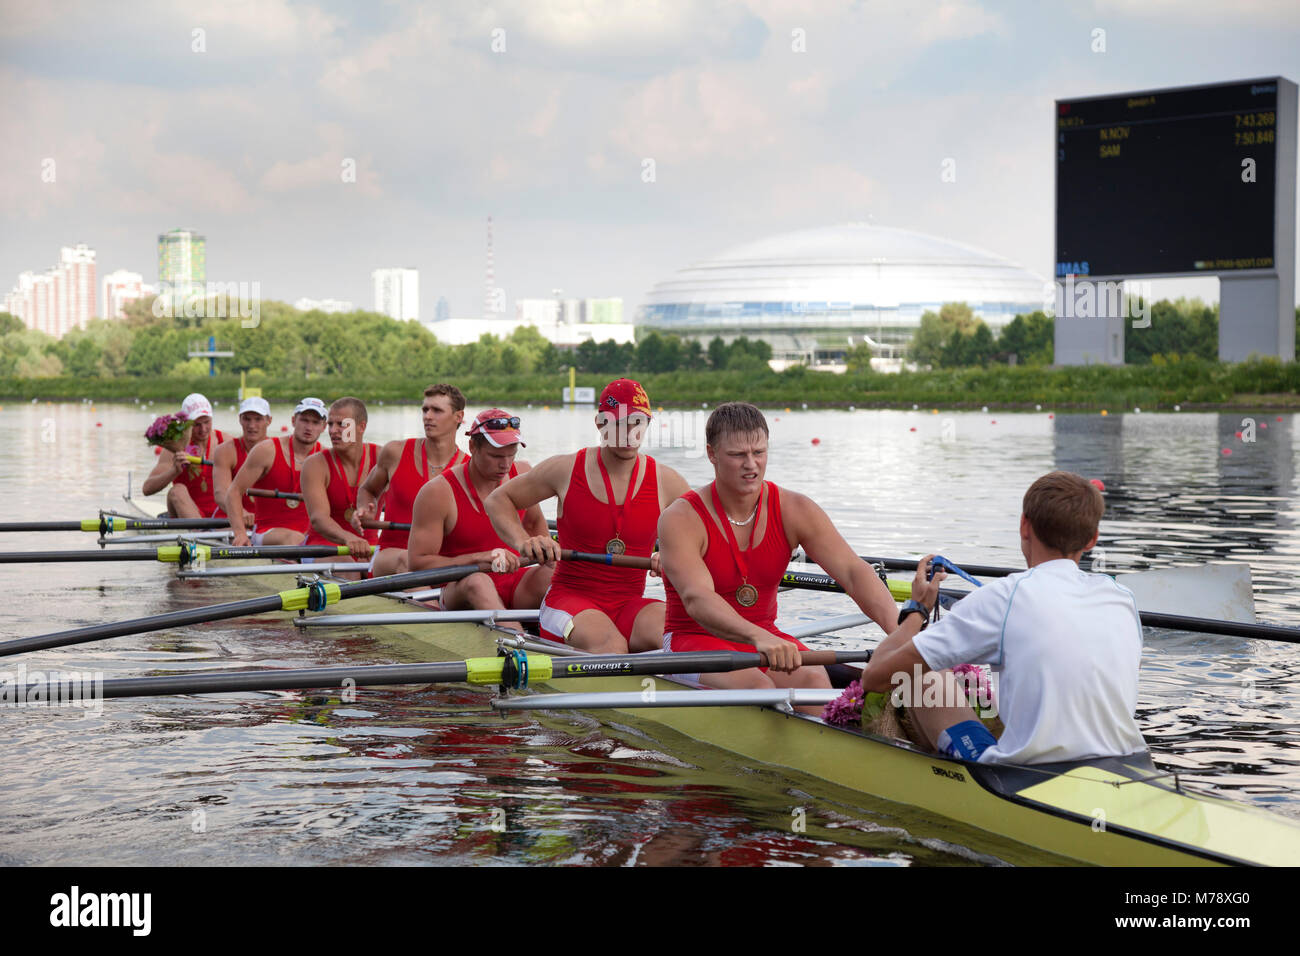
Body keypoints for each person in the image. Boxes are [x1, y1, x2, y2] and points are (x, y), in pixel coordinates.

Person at [857, 471, 1146, 765]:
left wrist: (916, 611)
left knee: (925, 679)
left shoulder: (1002, 597)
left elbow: (875, 676)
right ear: (1091, 540)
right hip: (1133, 765)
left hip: (1026, 780)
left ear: (1024, 526)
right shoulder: (1122, 597)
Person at [658, 402, 899, 712]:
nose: (751, 465)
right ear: (711, 454)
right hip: (690, 641)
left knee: (814, 679)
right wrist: (756, 636)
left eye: (759, 453)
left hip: (763, 637)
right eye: (737, 455)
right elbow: (697, 598)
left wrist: (904, 635)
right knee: (758, 688)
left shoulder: (794, 509)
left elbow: (853, 572)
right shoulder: (680, 517)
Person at [486, 379, 690, 653]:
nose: (630, 433)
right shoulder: (566, 469)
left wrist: (675, 556)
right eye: (620, 423)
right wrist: (525, 542)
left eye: (638, 422)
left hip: (628, 605)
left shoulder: (667, 481)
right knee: (611, 646)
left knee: (680, 634)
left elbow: (706, 536)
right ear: (600, 424)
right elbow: (498, 500)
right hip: (567, 601)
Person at [407, 409, 553, 620]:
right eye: (495, 456)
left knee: (555, 574)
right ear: (473, 447)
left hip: (515, 582)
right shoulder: (437, 492)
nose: (505, 464)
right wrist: (477, 559)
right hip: (459, 587)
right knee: (479, 581)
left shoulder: (522, 475)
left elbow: (537, 529)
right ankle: (516, 645)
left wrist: (545, 548)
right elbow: (417, 564)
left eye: (511, 455)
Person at [354, 383, 470, 576]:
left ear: (458, 417)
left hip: (441, 562)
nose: (428, 416)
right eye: (425, 409)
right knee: (409, 560)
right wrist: (364, 509)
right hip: (391, 554)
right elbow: (368, 490)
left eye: (437, 410)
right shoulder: (395, 452)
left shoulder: (469, 468)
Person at [225, 398, 327, 546]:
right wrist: (240, 533)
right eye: (304, 420)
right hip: (268, 531)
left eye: (315, 423)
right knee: (295, 539)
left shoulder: (326, 457)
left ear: (323, 427)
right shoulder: (267, 450)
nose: (309, 427)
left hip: (309, 536)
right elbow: (233, 492)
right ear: (293, 421)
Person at [299, 397, 380, 571]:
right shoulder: (315, 464)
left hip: (371, 547)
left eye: (342, 424)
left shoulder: (382, 458)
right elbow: (319, 519)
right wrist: (348, 538)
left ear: (361, 427)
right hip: (324, 546)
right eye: (330, 424)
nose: (333, 431)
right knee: (348, 569)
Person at [141, 392, 226, 518]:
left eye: (206, 422)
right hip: (188, 512)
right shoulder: (174, 448)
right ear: (186, 423)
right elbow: (147, 489)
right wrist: (174, 471)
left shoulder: (225, 441)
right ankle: (201, 532)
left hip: (220, 514)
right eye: (196, 424)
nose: (203, 429)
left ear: (212, 418)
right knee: (177, 490)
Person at [212, 396, 272, 528]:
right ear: (240, 419)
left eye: (258, 419)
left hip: (266, 521)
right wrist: (239, 512)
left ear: (269, 420)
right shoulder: (225, 451)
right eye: (247, 419)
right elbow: (221, 493)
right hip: (229, 520)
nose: (251, 426)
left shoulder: (277, 450)